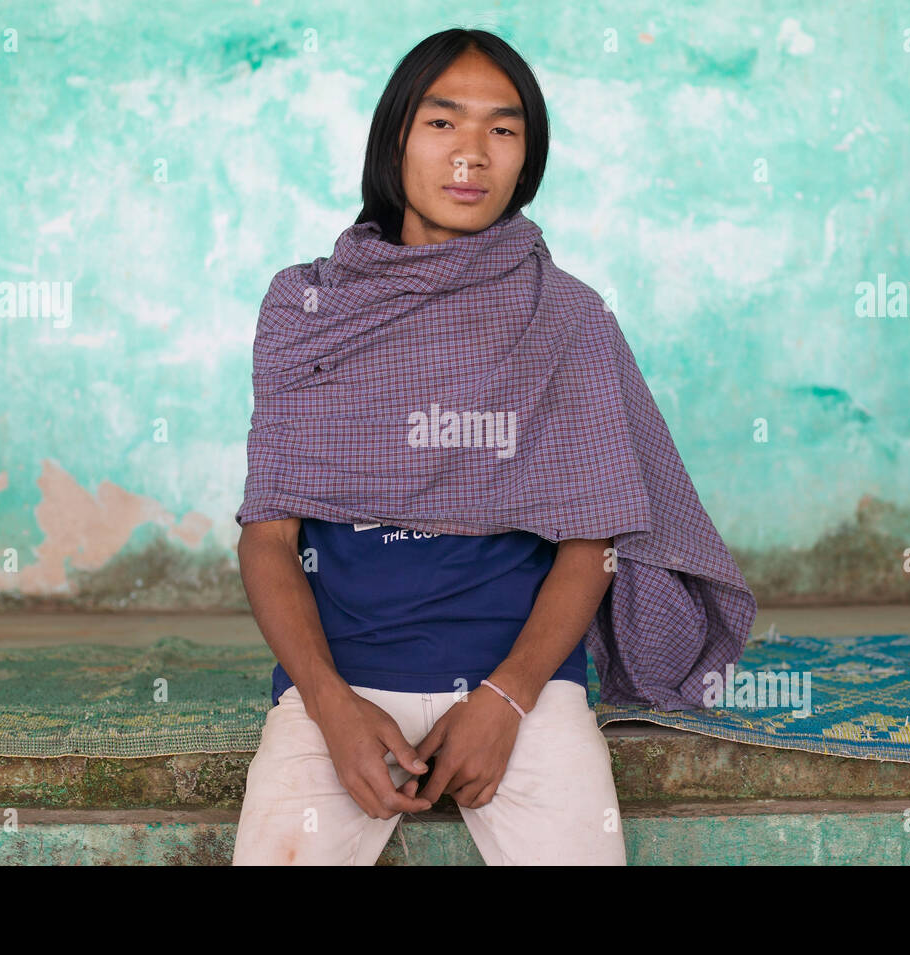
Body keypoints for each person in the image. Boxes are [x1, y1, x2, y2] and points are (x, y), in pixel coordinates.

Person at [231, 29, 629, 865]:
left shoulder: (566, 316)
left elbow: (593, 542)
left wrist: (510, 699)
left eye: (503, 129)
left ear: (529, 157)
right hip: (338, 684)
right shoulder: (309, 307)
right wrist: (330, 708)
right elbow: (268, 536)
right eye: (442, 123)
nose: (472, 154)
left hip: (523, 687)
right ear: (395, 139)